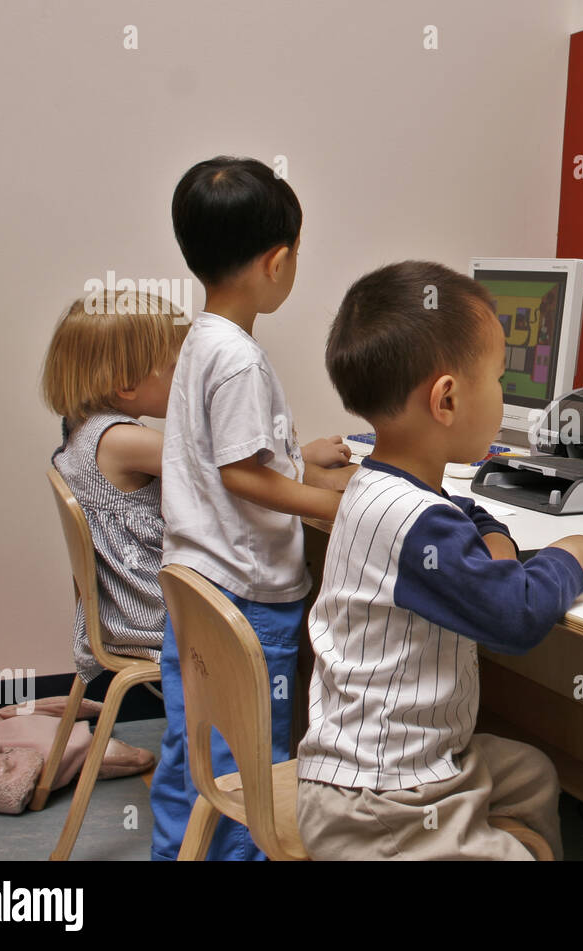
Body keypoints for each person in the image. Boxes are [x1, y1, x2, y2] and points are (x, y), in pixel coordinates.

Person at [296, 260, 583, 860]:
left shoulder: (379, 485)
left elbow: (467, 517)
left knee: (530, 774)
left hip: (373, 766)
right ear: (446, 399)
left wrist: (495, 545)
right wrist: (566, 557)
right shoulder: (417, 521)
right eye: (499, 379)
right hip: (381, 803)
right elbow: (515, 616)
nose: (504, 395)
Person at [150, 156, 355, 861]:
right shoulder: (237, 358)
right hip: (248, 598)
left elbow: (225, 460)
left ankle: (173, 851)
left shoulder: (203, 342)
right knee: (249, 770)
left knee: (195, 751)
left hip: (198, 587)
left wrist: (300, 459)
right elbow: (241, 476)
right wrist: (332, 498)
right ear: (277, 262)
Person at [42, 291, 184, 687]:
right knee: (276, 603)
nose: (186, 377)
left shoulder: (82, 427)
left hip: (118, 612)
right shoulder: (123, 441)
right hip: (152, 615)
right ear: (125, 383)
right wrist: (299, 455)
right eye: (175, 367)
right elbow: (224, 469)